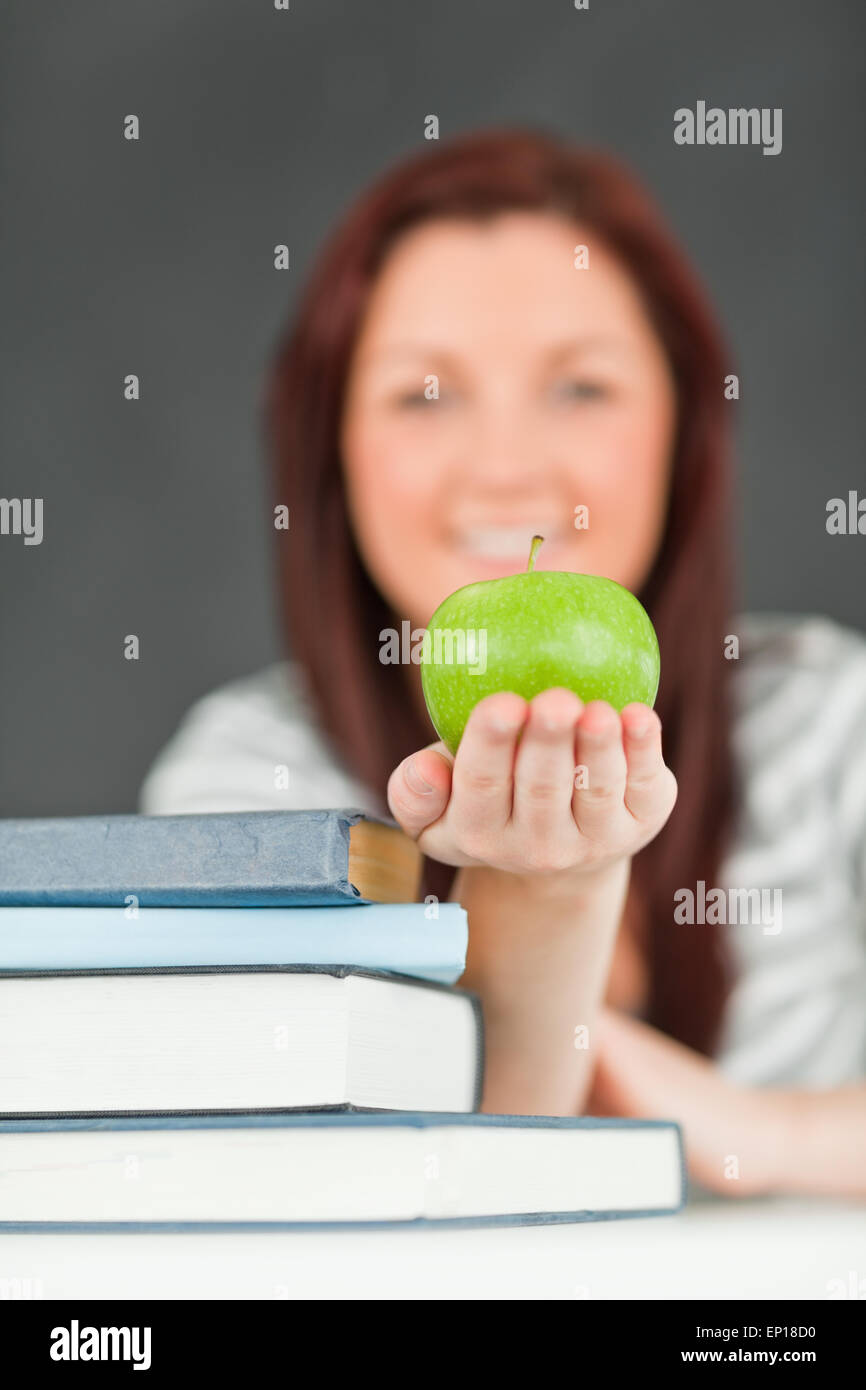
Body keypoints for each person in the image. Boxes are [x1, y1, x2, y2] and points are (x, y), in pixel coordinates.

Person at [140, 129, 866, 1198]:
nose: (506, 465)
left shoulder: (826, 721)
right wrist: (541, 904)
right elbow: (321, 1196)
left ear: (682, 427)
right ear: (331, 448)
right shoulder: (251, 792)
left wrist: (743, 1131)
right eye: (423, 395)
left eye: (580, 387)